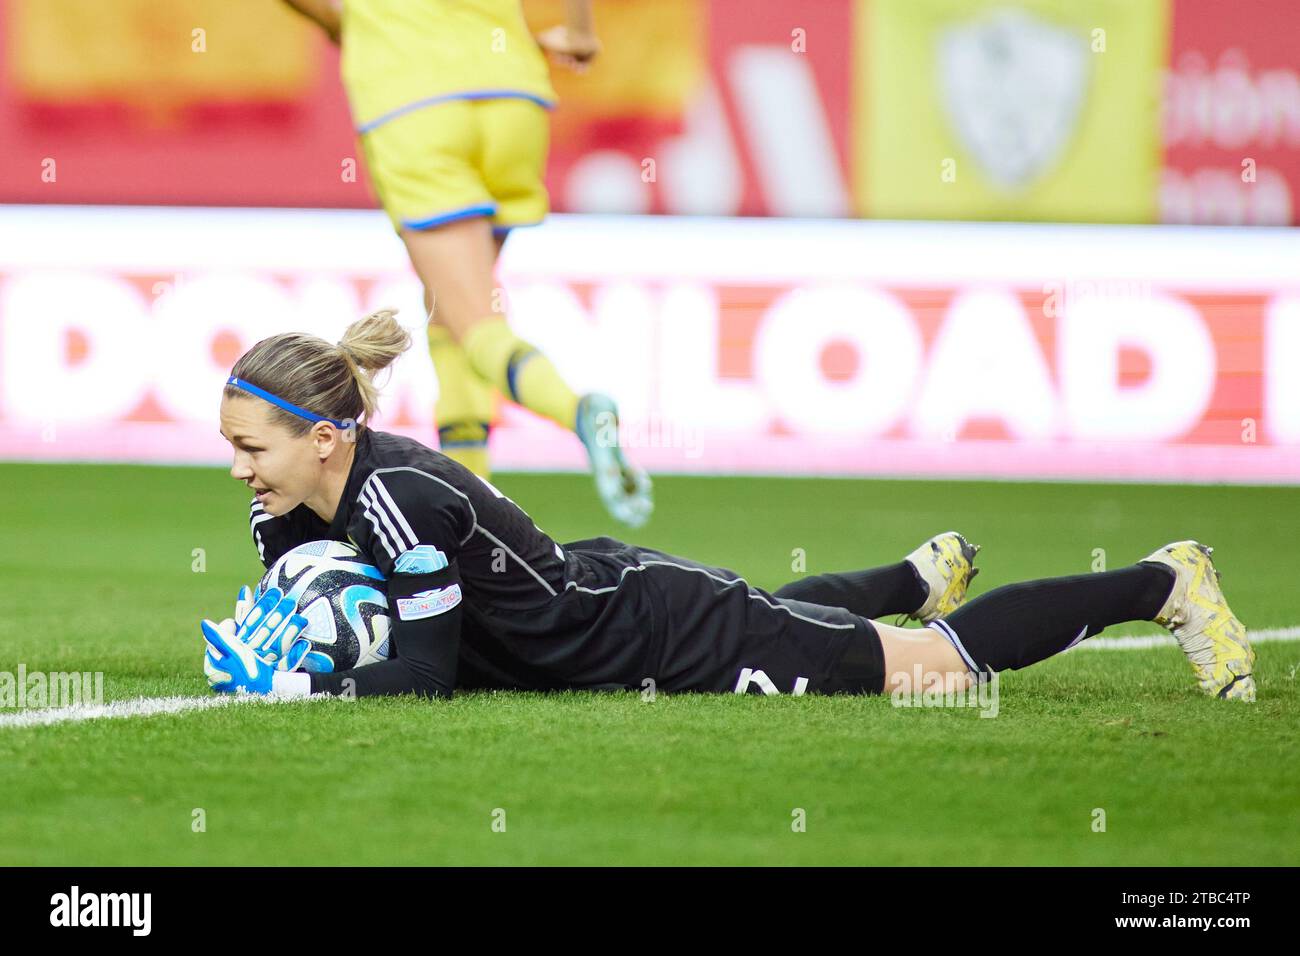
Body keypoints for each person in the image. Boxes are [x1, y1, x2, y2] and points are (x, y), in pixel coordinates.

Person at [202, 311, 1258, 703]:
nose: (241, 469)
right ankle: (907, 575)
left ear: (325, 435)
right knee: (791, 616)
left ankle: (1163, 580)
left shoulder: (396, 496)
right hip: (599, 629)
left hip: (652, 622)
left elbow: (423, 675)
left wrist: (301, 688)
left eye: (253, 446)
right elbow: (347, 617)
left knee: (925, 671)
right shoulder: (283, 507)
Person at [280, 0, 652, 526]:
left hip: (414, 103)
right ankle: (470, 502)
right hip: (513, 99)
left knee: (475, 321)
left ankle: (580, 411)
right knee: (448, 312)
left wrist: (348, 22)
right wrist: (579, 33)